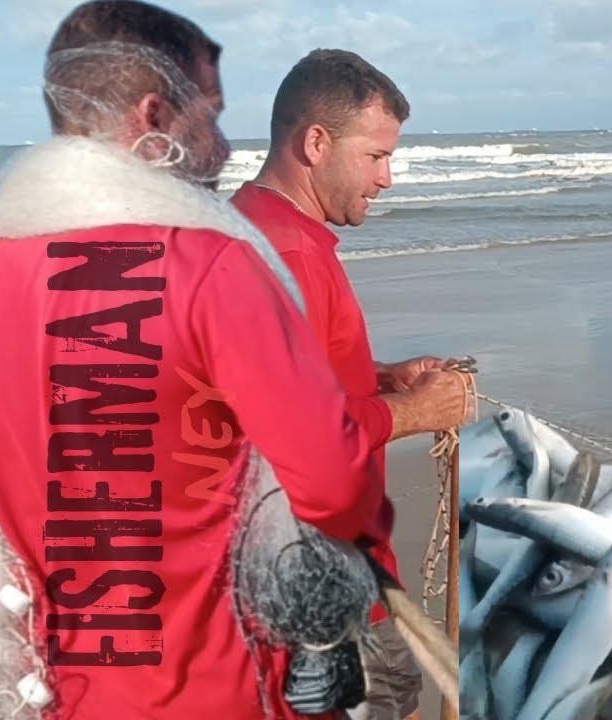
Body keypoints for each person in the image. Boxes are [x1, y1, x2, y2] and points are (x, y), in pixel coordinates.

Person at [0, 1, 407, 718]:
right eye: (208, 115)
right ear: (153, 116)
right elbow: (331, 483)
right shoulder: (211, 264)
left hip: (48, 689)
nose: (223, 146)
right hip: (211, 686)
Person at [231, 50, 470, 720]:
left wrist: (379, 378)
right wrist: (412, 413)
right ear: (315, 143)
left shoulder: (247, 227)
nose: (387, 178)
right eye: (374, 156)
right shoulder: (291, 257)